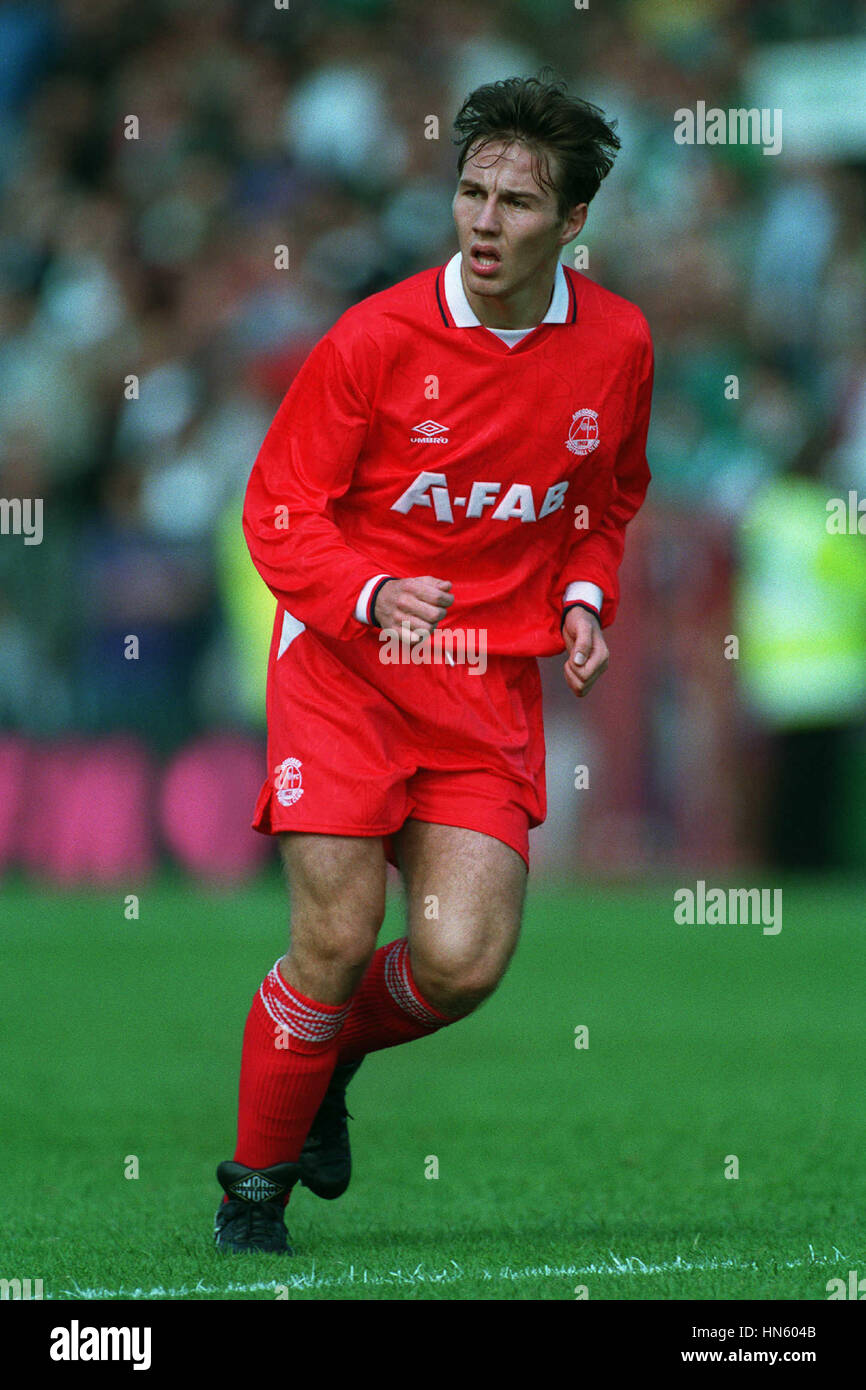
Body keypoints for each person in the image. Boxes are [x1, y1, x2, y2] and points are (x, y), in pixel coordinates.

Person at [214, 74, 654, 1253]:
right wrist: (364, 589)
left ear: (570, 224)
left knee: (461, 962)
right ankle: (252, 1194)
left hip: (483, 682)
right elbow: (278, 510)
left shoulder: (617, 343)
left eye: (517, 201)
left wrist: (579, 592)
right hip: (345, 668)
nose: (484, 219)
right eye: (470, 191)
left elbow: (607, 498)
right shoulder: (374, 338)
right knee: (336, 937)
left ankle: (321, 1061)